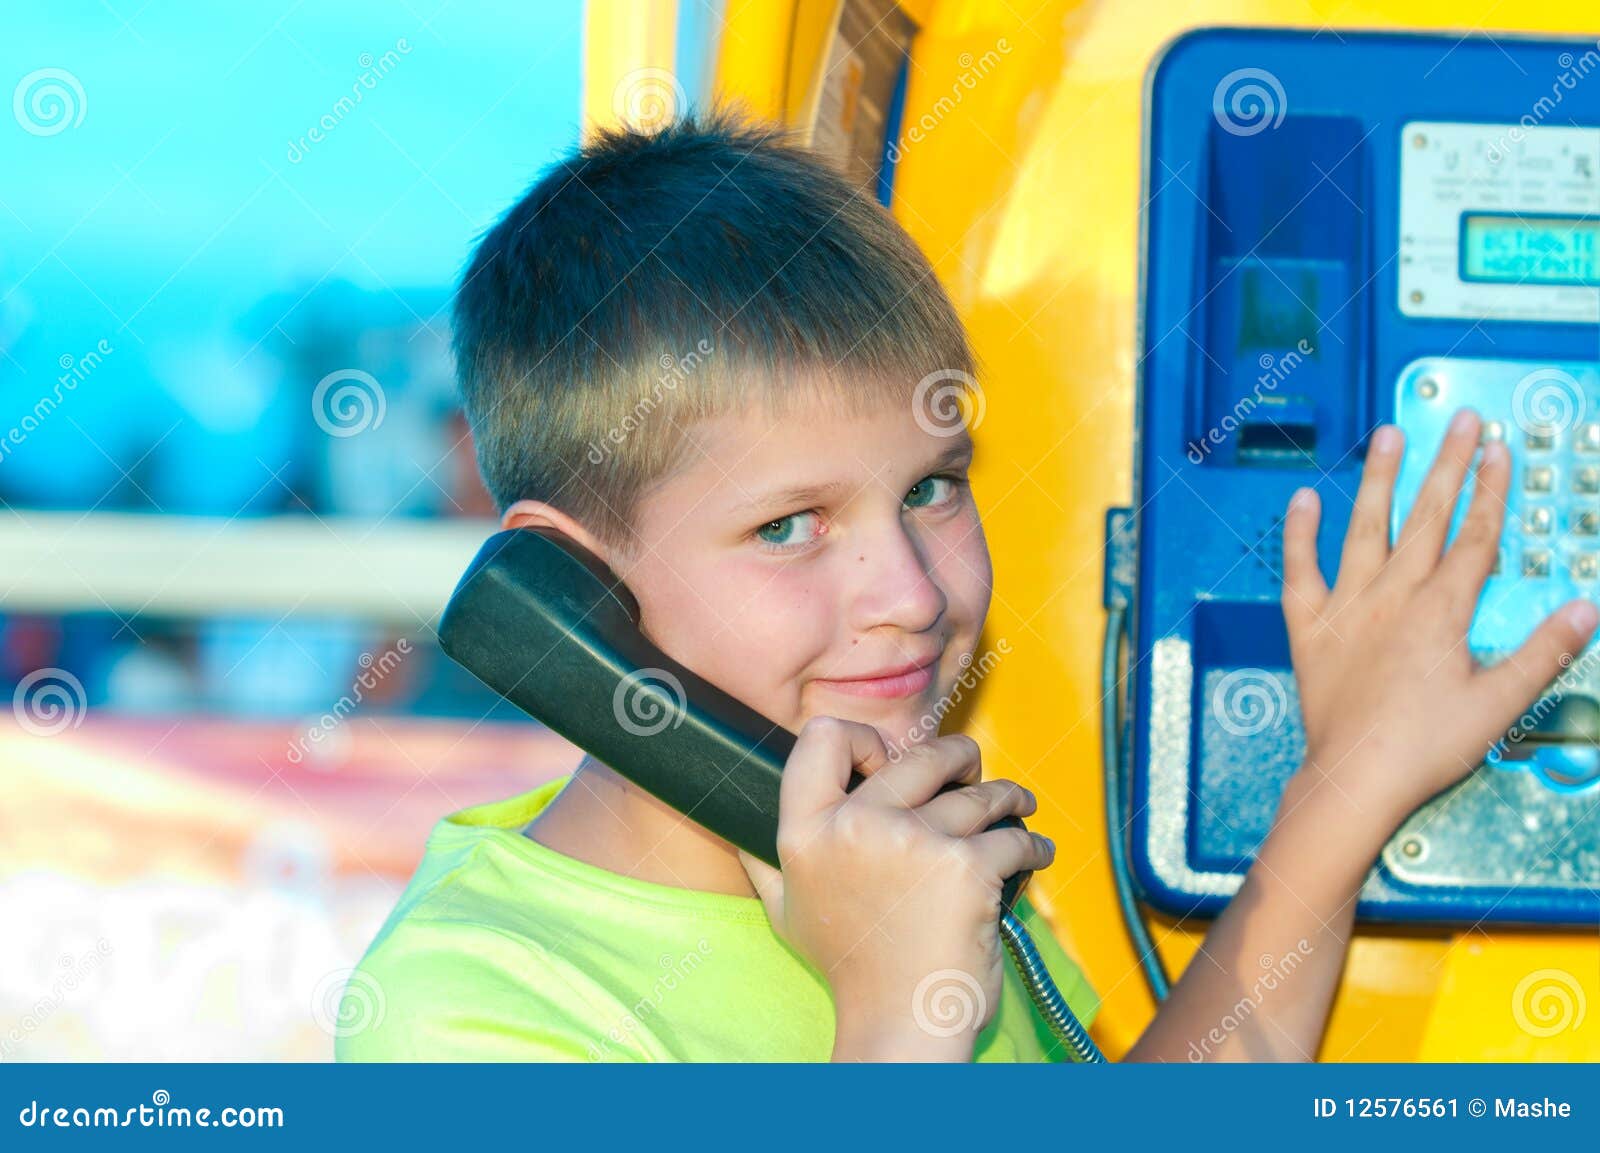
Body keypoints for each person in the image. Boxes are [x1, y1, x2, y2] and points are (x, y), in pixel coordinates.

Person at [337, 112, 1596, 1062]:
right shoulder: (475, 1003)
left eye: (933, 486)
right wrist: (893, 1018)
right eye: (788, 527)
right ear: (570, 587)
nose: (911, 592)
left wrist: (1348, 782)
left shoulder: (901, 846)